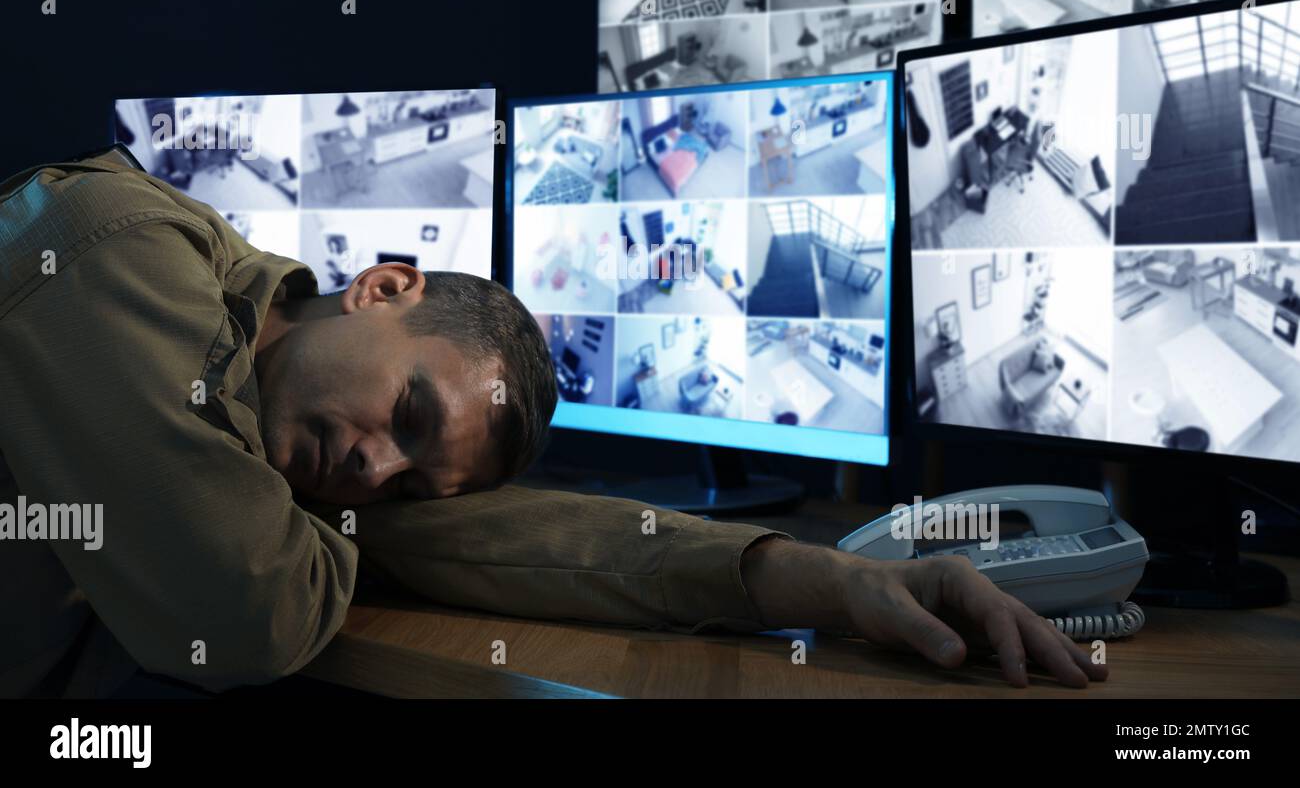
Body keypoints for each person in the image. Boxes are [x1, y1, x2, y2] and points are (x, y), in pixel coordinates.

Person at [0, 148, 1105, 696]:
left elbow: (482, 536)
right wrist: (351, 530)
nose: (366, 465)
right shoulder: (115, 244)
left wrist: (829, 579)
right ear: (383, 286)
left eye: (400, 481)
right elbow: (239, 606)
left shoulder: (293, 431)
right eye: (409, 411)